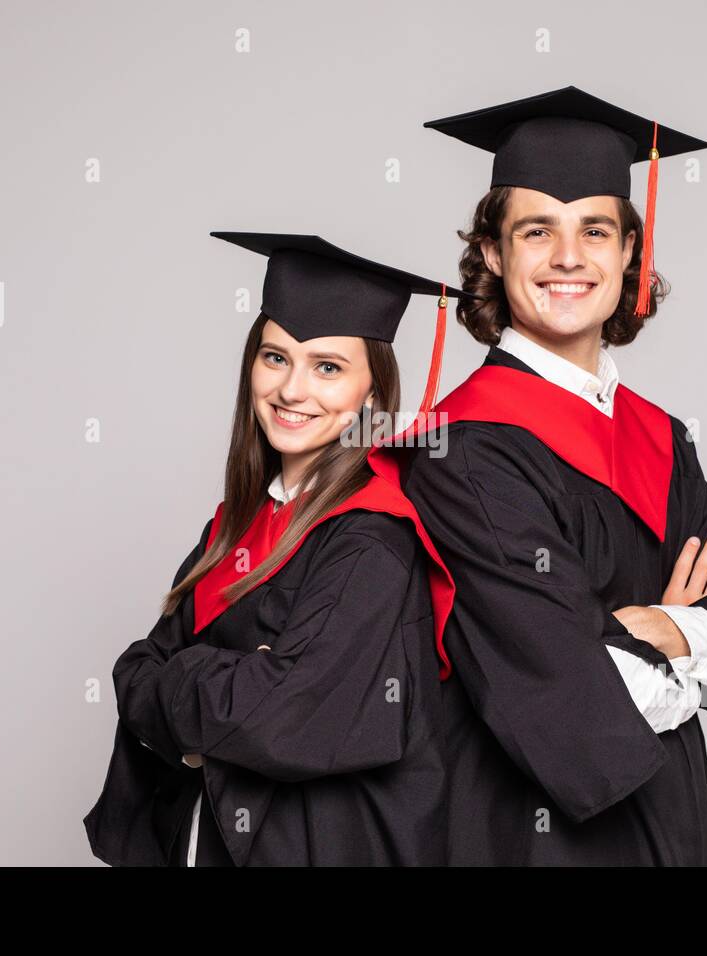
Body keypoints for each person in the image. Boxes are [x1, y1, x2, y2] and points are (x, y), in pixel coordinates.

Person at [368, 86, 707, 865]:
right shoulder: (460, 449)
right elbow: (566, 692)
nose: (569, 258)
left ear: (629, 251)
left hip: (674, 811)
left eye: (595, 230)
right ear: (492, 253)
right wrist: (692, 639)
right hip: (531, 833)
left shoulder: (658, 435)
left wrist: (650, 629)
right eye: (537, 231)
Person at [83, 232, 470, 866]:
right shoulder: (236, 526)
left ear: (371, 397)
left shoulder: (373, 537)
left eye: (328, 367)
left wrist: (190, 679)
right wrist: (228, 689)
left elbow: (286, 718)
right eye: (274, 357)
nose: (292, 390)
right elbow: (133, 673)